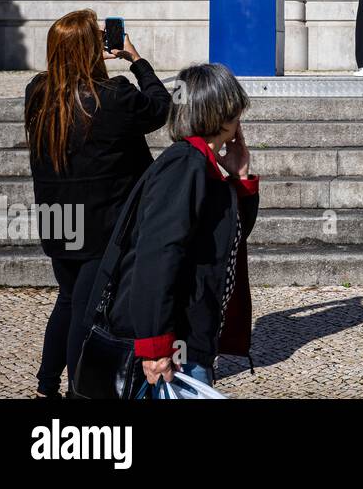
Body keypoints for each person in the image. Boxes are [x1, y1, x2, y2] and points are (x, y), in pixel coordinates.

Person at [24, 10, 172, 399]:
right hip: (99, 223)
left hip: (58, 220)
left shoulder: (37, 93)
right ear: (92, 48)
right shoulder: (115, 97)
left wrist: (84, 51)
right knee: (84, 314)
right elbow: (160, 107)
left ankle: (45, 385)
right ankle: (79, 392)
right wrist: (135, 58)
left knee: (69, 299)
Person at [84, 63, 257, 395]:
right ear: (220, 113)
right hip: (177, 344)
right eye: (235, 113)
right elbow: (156, 256)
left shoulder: (199, 163)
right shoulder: (185, 165)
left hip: (191, 336)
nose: (239, 123)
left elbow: (228, 242)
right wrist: (154, 346)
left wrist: (241, 178)